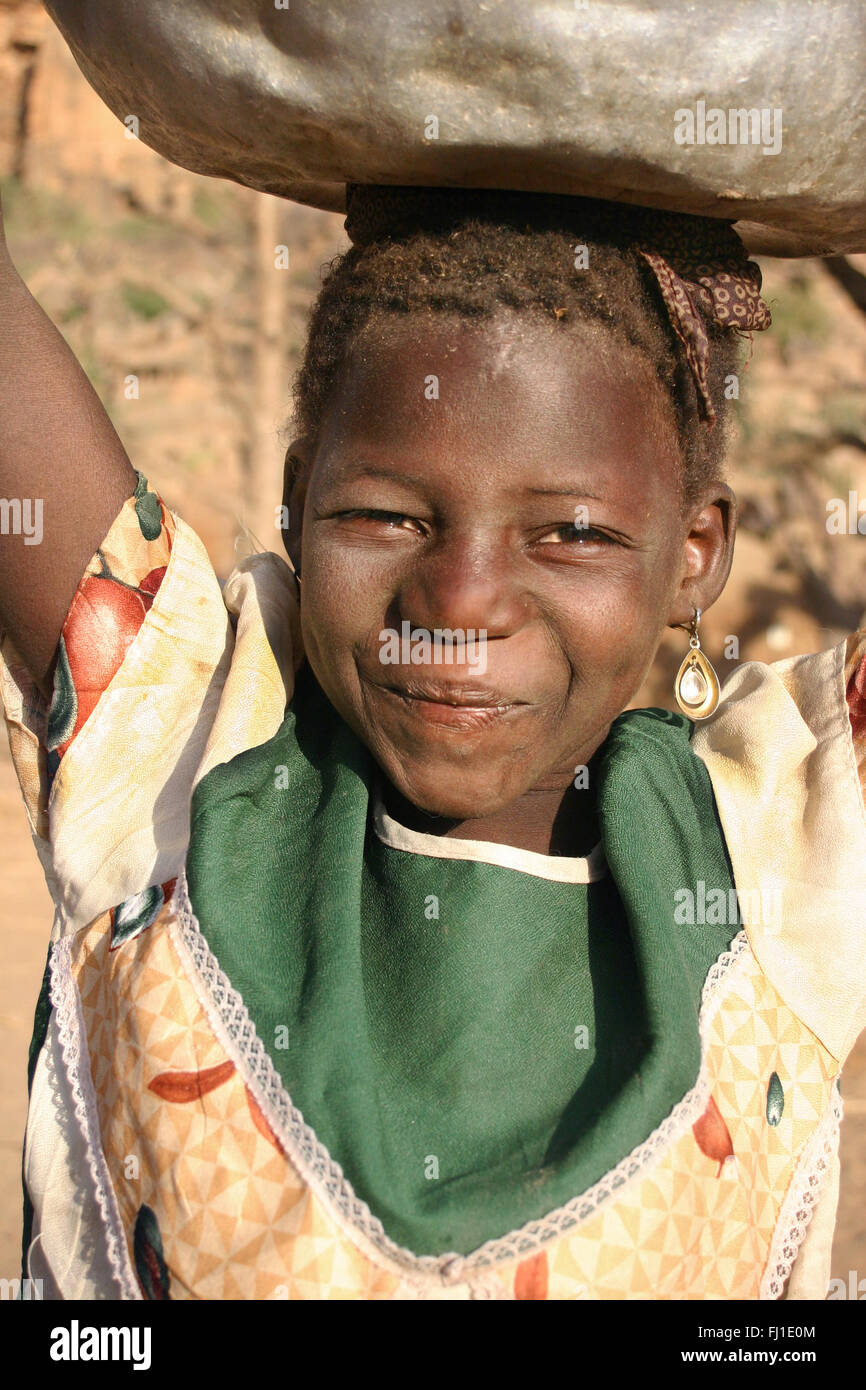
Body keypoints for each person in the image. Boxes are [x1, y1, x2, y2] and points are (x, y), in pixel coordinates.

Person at [0, 183, 863, 1301]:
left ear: (692, 551)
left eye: (573, 533)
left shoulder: (782, 850)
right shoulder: (177, 752)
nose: (458, 601)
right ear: (296, 498)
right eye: (385, 515)